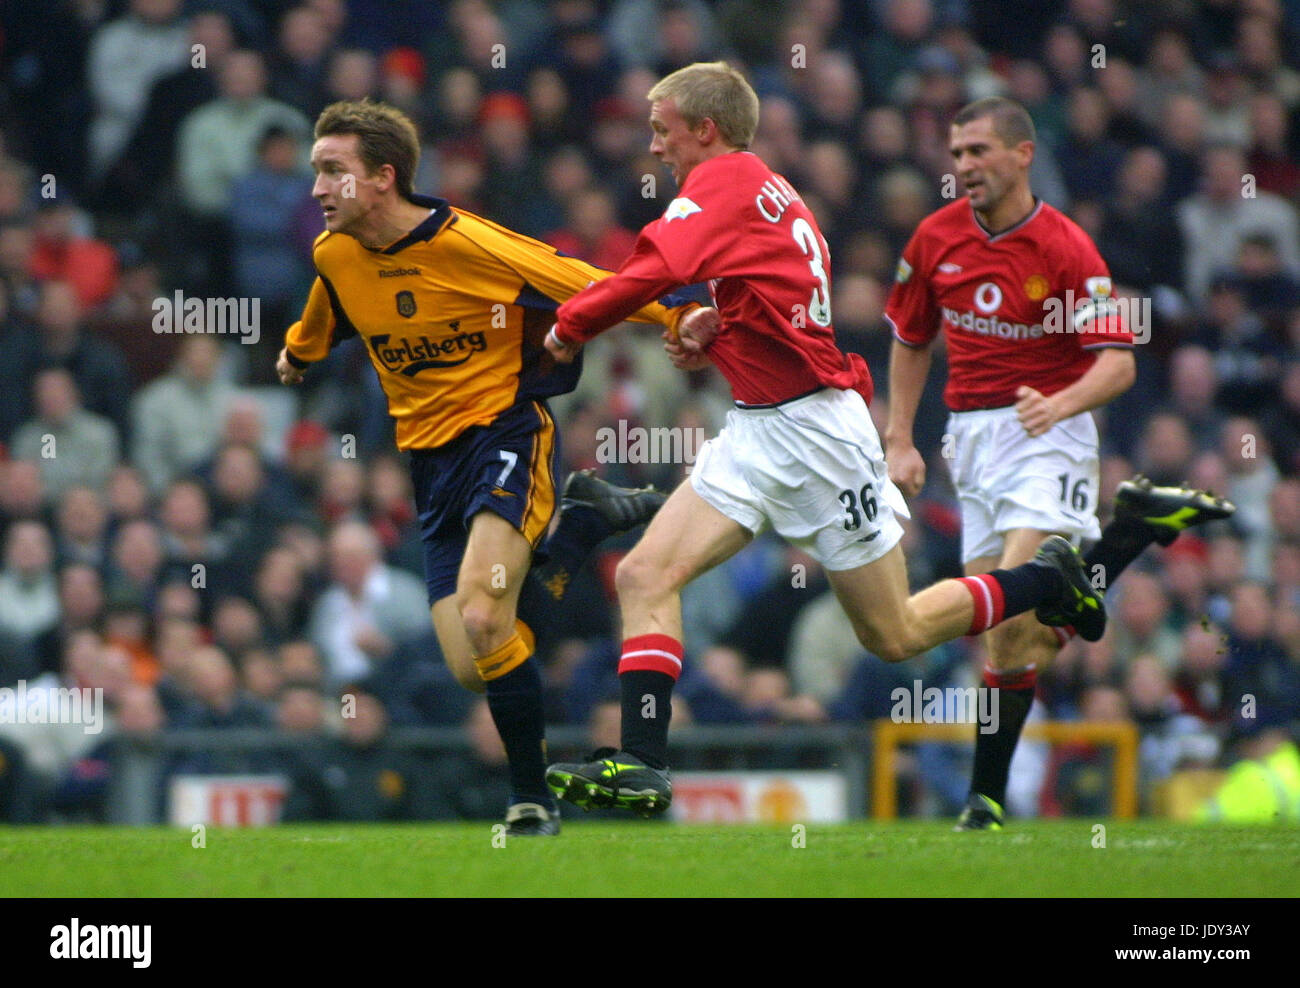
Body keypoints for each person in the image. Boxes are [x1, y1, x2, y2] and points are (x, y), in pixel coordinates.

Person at [541, 62, 1109, 817]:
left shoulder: (724, 184)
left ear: (704, 130)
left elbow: (656, 267)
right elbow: (776, 295)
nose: (654, 147)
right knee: (645, 575)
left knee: (895, 634)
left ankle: (1045, 580)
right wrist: (720, 327)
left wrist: (568, 326)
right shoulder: (769, 190)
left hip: (816, 436)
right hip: (757, 426)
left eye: (662, 130)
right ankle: (644, 761)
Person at [276, 99, 699, 835]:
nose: (316, 188)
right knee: (476, 659)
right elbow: (327, 308)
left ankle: (530, 799)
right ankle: (578, 529)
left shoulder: (468, 243)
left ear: (383, 177)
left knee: (481, 610)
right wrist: (298, 353)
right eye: (316, 171)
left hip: (504, 434)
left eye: (332, 171)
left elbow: (580, 278)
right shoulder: (335, 253)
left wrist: (676, 316)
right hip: (429, 466)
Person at [883, 96, 1235, 830]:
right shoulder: (934, 237)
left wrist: (1061, 404)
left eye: (979, 151)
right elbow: (911, 339)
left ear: (1023, 155)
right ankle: (1126, 538)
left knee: (1011, 613)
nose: (964, 165)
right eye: (957, 153)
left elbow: (1119, 363)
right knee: (1008, 635)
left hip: (1048, 435)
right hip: (969, 440)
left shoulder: (1067, 247)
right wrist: (900, 438)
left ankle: (982, 803)